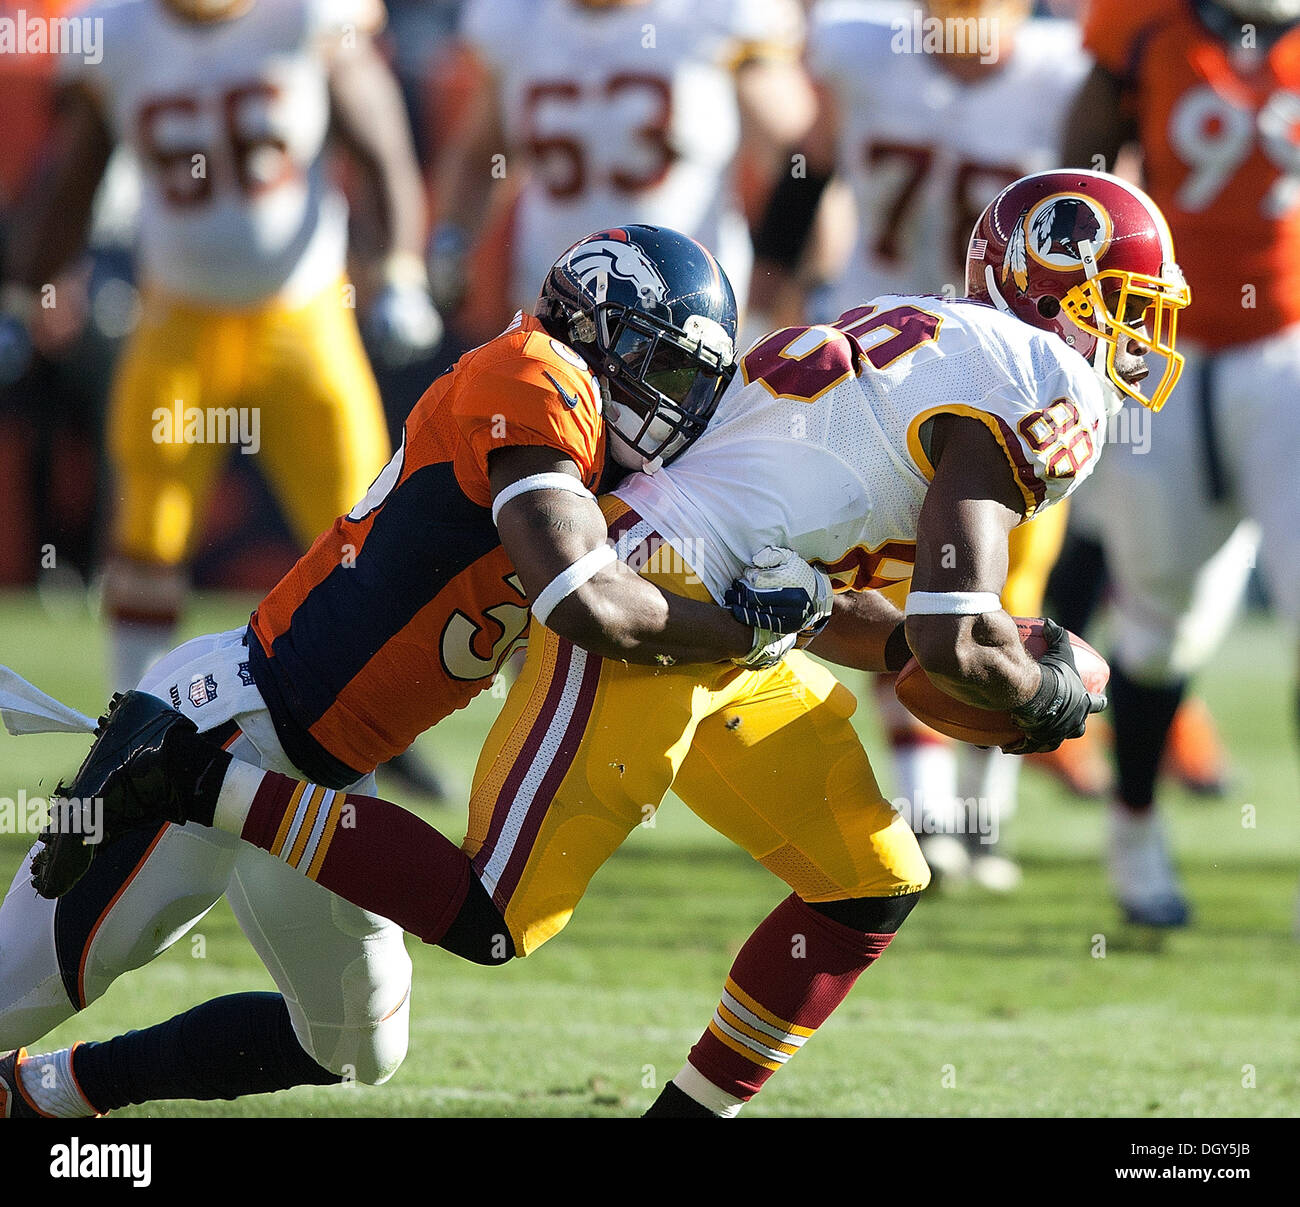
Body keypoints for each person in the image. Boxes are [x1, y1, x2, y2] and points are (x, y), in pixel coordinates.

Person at [15, 169, 1185, 1118]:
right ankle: (188, 773)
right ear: (1052, 287)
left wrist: (888, 647)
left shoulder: (923, 347)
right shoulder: (1032, 377)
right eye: (1126, 307)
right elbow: (949, 637)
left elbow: (890, 635)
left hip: (674, 615)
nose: (1136, 344)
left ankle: (51, 1096)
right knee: (490, 915)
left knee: (868, 881)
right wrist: (1043, 693)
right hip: (612, 613)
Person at [0, 224, 798, 1118]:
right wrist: (737, 629)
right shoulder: (539, 374)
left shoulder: (579, 438)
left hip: (320, 774)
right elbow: (582, 597)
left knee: (353, 1041)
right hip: (225, 729)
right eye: (664, 368)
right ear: (597, 329)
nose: (673, 402)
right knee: (10, 996)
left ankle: (43, 1094)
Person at [0, 0, 442, 695]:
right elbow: (73, 181)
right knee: (148, 522)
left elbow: (380, 144)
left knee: (362, 520)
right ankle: (133, 708)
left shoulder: (305, 14)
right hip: (179, 315)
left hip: (303, 310)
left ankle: (378, 708)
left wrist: (400, 270)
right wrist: (24, 296)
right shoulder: (116, 33)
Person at [747, 0, 1091, 888]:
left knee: (1005, 580)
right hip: (897, 365)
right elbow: (808, 174)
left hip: (1013, 363)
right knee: (901, 575)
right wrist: (775, 282)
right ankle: (925, 802)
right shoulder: (868, 54)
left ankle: (983, 809)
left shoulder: (1060, 72)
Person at [1061, 0, 1300, 926]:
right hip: (1164, 348)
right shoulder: (1144, 23)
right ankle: (1133, 828)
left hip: (1289, 349)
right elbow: (1078, 190)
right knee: (1165, 621)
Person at [428, 0, 814, 329]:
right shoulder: (519, 21)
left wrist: (795, 288)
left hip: (688, 324)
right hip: (557, 319)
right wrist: (451, 243)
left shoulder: (710, 17)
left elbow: (803, 168)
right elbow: (482, 158)